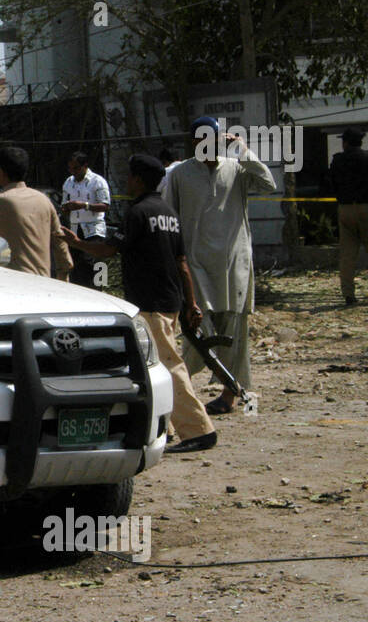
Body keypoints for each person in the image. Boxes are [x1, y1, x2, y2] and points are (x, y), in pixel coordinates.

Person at [61, 154, 217, 453]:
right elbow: (182, 263)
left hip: (148, 301)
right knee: (155, 365)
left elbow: (108, 250)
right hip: (171, 300)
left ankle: (200, 430)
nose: (126, 181)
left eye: (130, 176)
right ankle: (166, 428)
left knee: (170, 366)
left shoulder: (138, 213)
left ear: (139, 179)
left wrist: (76, 242)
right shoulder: (169, 212)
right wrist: (191, 303)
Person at [163, 116, 276, 416]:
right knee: (197, 328)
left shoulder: (237, 168)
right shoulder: (181, 174)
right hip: (196, 263)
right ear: (194, 143)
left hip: (234, 262)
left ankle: (231, 395)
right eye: (201, 140)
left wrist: (242, 149)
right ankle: (176, 392)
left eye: (213, 139)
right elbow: (169, 217)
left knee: (235, 329)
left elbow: (267, 183)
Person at [0, 145, 73, 279]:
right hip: (44, 280)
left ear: (1, 172)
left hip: (14, 281)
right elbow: (60, 241)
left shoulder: (0, 201)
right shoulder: (43, 200)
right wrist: (64, 273)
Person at [325, 127, 368, 306]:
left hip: (346, 209)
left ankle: (349, 295)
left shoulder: (337, 161)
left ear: (345, 143)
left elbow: (328, 184)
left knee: (347, 255)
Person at [60, 150, 112, 288]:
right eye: (70, 168)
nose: (73, 172)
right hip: (75, 228)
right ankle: (81, 291)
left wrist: (84, 205)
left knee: (94, 263)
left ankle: (99, 290)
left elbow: (105, 206)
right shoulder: (68, 182)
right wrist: (66, 209)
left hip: (94, 229)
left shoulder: (97, 181)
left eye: (76, 168)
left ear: (85, 166)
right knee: (77, 264)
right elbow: (64, 203)